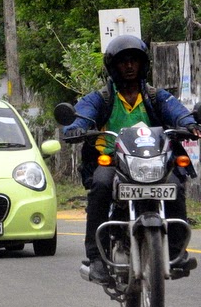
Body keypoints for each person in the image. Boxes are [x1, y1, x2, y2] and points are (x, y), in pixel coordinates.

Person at [62, 34, 201, 283]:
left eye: (134, 61)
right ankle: (97, 259)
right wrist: (75, 127)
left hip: (153, 164)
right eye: (123, 61)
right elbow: (82, 114)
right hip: (114, 164)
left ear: (143, 65)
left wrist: (189, 124)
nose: (128, 66)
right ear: (112, 67)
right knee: (101, 185)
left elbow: (177, 111)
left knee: (175, 185)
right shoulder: (102, 98)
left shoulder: (156, 96)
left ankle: (176, 252)